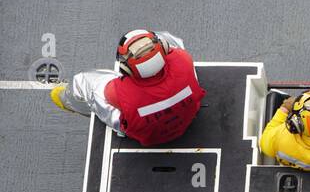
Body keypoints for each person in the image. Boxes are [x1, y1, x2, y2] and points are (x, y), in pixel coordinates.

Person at [49, 29, 205, 146]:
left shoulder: (118, 91)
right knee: (165, 37)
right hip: (186, 118)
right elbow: (170, 49)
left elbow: (113, 95)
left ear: (128, 70)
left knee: (90, 85)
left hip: (148, 137)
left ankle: (67, 98)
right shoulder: (183, 60)